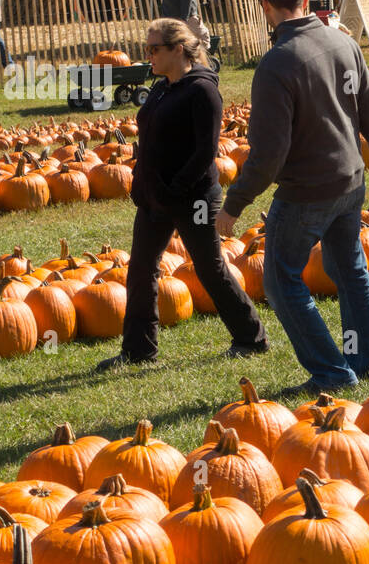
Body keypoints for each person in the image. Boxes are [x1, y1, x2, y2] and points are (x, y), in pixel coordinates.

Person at [214, 0, 369, 396]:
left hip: (306, 192)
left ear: (265, 5)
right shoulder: (343, 42)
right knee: (350, 270)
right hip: (350, 181)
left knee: (280, 280)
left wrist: (234, 203)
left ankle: (331, 371)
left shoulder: (277, 64)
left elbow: (268, 157)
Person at [97, 19, 267, 371]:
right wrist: (143, 183)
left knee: (210, 268)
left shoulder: (203, 91)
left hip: (195, 199)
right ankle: (139, 350)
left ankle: (252, 337)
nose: (148, 56)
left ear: (178, 49)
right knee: (141, 269)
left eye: (154, 49)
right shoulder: (161, 88)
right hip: (154, 198)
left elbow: (205, 152)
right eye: (147, 49)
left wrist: (174, 189)